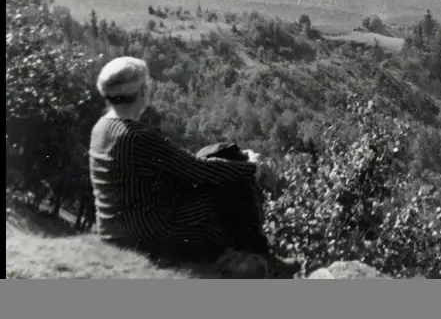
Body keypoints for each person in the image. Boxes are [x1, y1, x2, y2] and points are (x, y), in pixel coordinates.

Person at [88, 56, 298, 276]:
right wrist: (254, 168)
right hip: (148, 234)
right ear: (141, 93)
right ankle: (259, 255)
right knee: (228, 183)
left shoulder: (102, 127)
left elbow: (182, 167)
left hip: (120, 229)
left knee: (220, 155)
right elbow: (195, 170)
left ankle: (251, 254)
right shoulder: (136, 136)